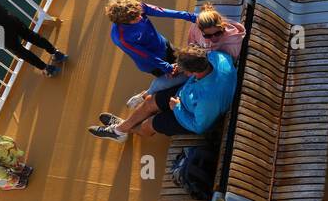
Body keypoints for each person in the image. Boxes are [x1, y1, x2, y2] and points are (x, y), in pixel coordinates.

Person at [89, 44, 236, 141]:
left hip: (191, 114)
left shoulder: (207, 100)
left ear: (192, 72)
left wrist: (177, 108)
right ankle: (120, 130)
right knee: (150, 101)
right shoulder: (216, 57)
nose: (181, 71)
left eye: (183, 70)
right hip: (186, 97)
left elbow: (199, 126)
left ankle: (126, 130)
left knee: (148, 125)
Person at [121, 2, 245, 111]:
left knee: (172, 94)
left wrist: (190, 69)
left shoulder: (233, 42)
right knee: (163, 81)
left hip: (209, 73)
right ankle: (146, 95)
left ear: (222, 25)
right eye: (208, 36)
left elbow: (224, 67)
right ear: (200, 29)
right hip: (196, 66)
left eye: (218, 33)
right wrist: (183, 65)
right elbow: (192, 47)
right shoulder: (196, 28)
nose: (213, 38)